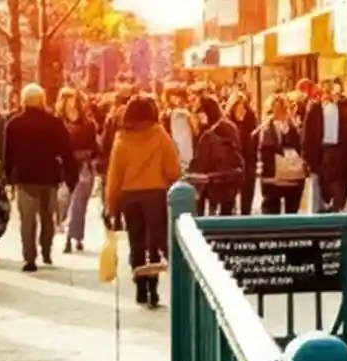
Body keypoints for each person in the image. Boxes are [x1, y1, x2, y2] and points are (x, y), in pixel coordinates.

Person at [105, 95, 181, 307]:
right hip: (156, 195)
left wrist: (111, 205)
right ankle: (153, 287)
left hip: (130, 197)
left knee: (136, 241)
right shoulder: (160, 136)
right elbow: (172, 170)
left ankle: (139, 285)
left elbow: (115, 175)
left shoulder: (122, 138)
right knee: (154, 242)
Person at [3, 84, 78, 272]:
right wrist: (71, 176)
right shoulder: (54, 123)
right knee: (47, 217)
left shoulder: (13, 124)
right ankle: (46, 250)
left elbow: (8, 154)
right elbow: (66, 151)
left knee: (27, 220)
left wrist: (8, 178)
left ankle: (29, 257)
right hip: (48, 178)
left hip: (24, 178)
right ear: (42, 100)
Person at [303, 77, 347, 213]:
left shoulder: (346, 109)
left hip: (341, 154)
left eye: (332, 89)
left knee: (339, 191)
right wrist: (309, 160)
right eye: (326, 89)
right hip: (322, 154)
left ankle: (337, 213)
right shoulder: (315, 110)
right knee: (322, 191)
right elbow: (307, 136)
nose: (329, 93)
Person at [57, 89, 101, 253]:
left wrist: (88, 154)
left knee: (78, 205)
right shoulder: (58, 123)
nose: (72, 106)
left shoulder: (88, 124)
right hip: (64, 169)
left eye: (75, 102)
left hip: (83, 168)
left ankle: (72, 237)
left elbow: (96, 148)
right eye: (68, 101)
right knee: (64, 202)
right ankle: (71, 233)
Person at [190, 96, 246, 217]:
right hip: (231, 180)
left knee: (210, 219)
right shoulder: (231, 127)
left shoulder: (206, 134)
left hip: (212, 183)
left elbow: (201, 163)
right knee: (227, 216)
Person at [256, 94, 307, 215]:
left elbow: (299, 146)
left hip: (289, 176)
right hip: (275, 177)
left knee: (288, 211)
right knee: (273, 210)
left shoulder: (292, 127)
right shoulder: (267, 128)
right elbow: (264, 150)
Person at [227, 93, 259, 215]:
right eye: (238, 108)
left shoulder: (250, 123)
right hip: (233, 164)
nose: (242, 111)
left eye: (243, 108)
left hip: (248, 162)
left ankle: (246, 215)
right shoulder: (228, 125)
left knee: (247, 194)